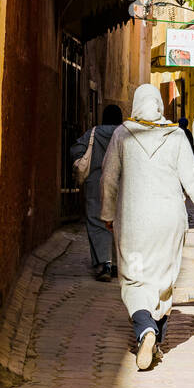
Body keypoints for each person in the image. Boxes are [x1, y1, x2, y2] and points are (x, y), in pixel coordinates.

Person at [100, 83, 194, 371]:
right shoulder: (177, 135)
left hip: (133, 221)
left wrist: (107, 214)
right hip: (169, 220)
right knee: (163, 280)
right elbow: (192, 179)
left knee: (134, 278)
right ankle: (156, 343)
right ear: (159, 106)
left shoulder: (121, 135)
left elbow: (108, 179)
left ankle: (146, 331)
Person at [70, 103, 124, 280]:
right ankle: (117, 264)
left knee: (96, 221)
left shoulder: (94, 133)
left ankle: (104, 264)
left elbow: (76, 150)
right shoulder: (124, 133)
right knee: (118, 222)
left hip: (96, 184)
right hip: (120, 184)